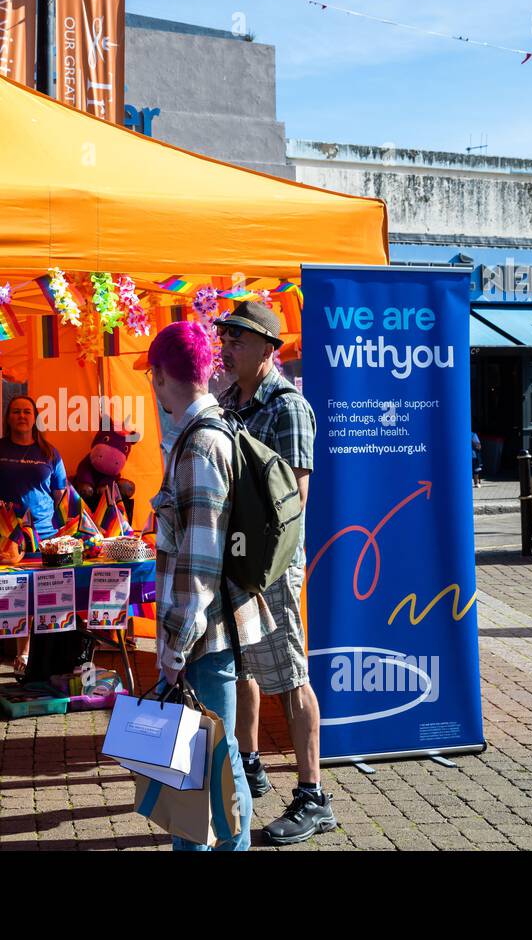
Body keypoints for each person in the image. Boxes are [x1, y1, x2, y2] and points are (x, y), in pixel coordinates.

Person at [213, 299, 336, 845]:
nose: (228, 345)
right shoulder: (224, 401)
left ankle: (313, 796)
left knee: (291, 676)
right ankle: (250, 762)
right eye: (226, 336)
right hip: (230, 559)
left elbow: (294, 501)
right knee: (242, 667)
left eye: (239, 338)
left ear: (269, 348)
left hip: (271, 566)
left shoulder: (288, 408)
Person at [148, 320, 274, 851]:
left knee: (214, 773)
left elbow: (199, 561)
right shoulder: (211, 430)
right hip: (215, 629)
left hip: (204, 637)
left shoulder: (199, 447)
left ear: (158, 376)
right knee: (202, 772)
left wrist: (174, 646)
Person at [0, 395, 68, 676]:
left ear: (34, 417)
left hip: (44, 535)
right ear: (8, 417)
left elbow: (61, 496)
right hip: (5, 535)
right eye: (16, 411)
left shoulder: (50, 452)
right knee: (14, 594)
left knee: (44, 595)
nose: (21, 416)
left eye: (27, 411)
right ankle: (21, 653)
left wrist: (64, 533)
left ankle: (45, 657)